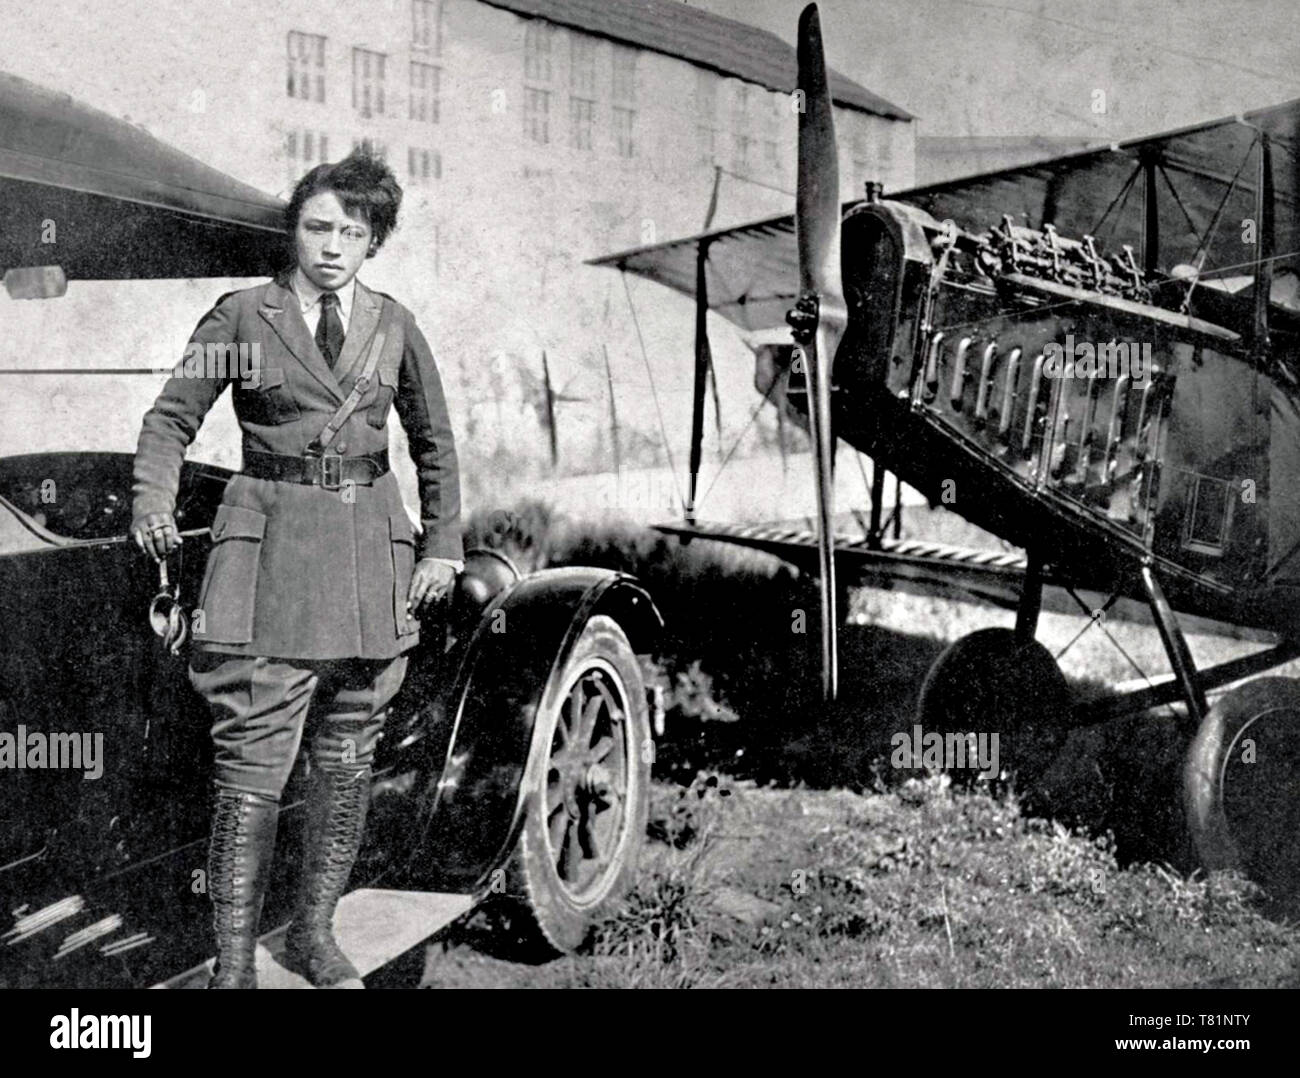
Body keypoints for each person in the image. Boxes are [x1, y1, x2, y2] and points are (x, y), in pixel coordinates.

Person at [131, 151, 463, 989]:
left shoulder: (393, 326)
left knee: (348, 756)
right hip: (266, 559)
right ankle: (234, 968)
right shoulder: (244, 316)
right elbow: (170, 420)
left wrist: (445, 544)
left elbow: (434, 445)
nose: (332, 247)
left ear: (374, 242)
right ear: (293, 230)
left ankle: (315, 937)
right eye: (318, 227)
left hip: (366, 565)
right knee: (250, 767)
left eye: (353, 232)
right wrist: (151, 506)